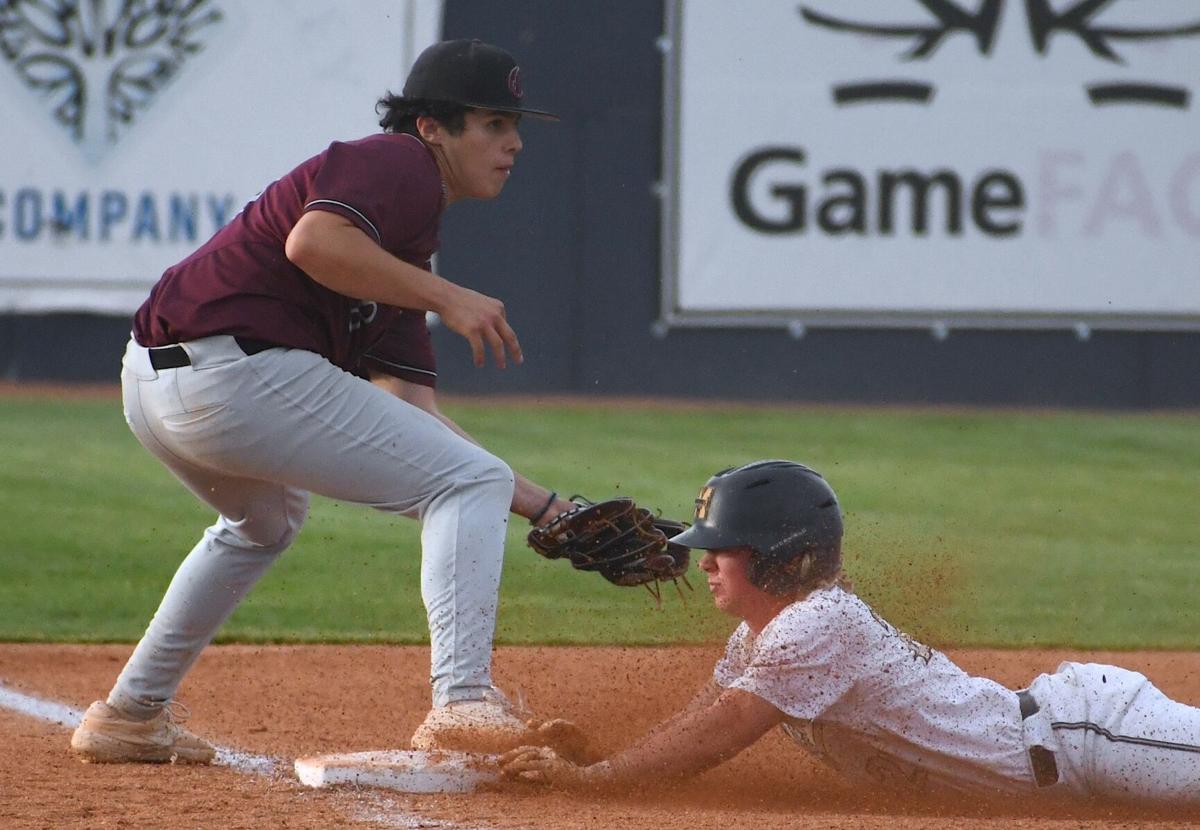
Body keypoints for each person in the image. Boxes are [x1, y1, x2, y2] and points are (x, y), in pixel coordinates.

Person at [69, 38, 579, 764]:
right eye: (492, 123)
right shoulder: (399, 161)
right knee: (467, 481)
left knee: (265, 522)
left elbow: (410, 405)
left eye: (514, 125)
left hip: (157, 382)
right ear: (432, 126)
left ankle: (130, 713)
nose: (514, 142)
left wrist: (546, 506)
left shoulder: (401, 249)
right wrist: (448, 296)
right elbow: (312, 243)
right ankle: (462, 704)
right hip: (230, 375)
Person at [500, 460, 1200, 806]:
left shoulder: (815, 623)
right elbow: (700, 724)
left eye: (726, 545)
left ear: (780, 554)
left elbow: (722, 731)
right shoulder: (762, 637)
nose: (705, 561)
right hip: (1063, 753)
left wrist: (597, 783)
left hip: (1090, 739)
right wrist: (602, 759)